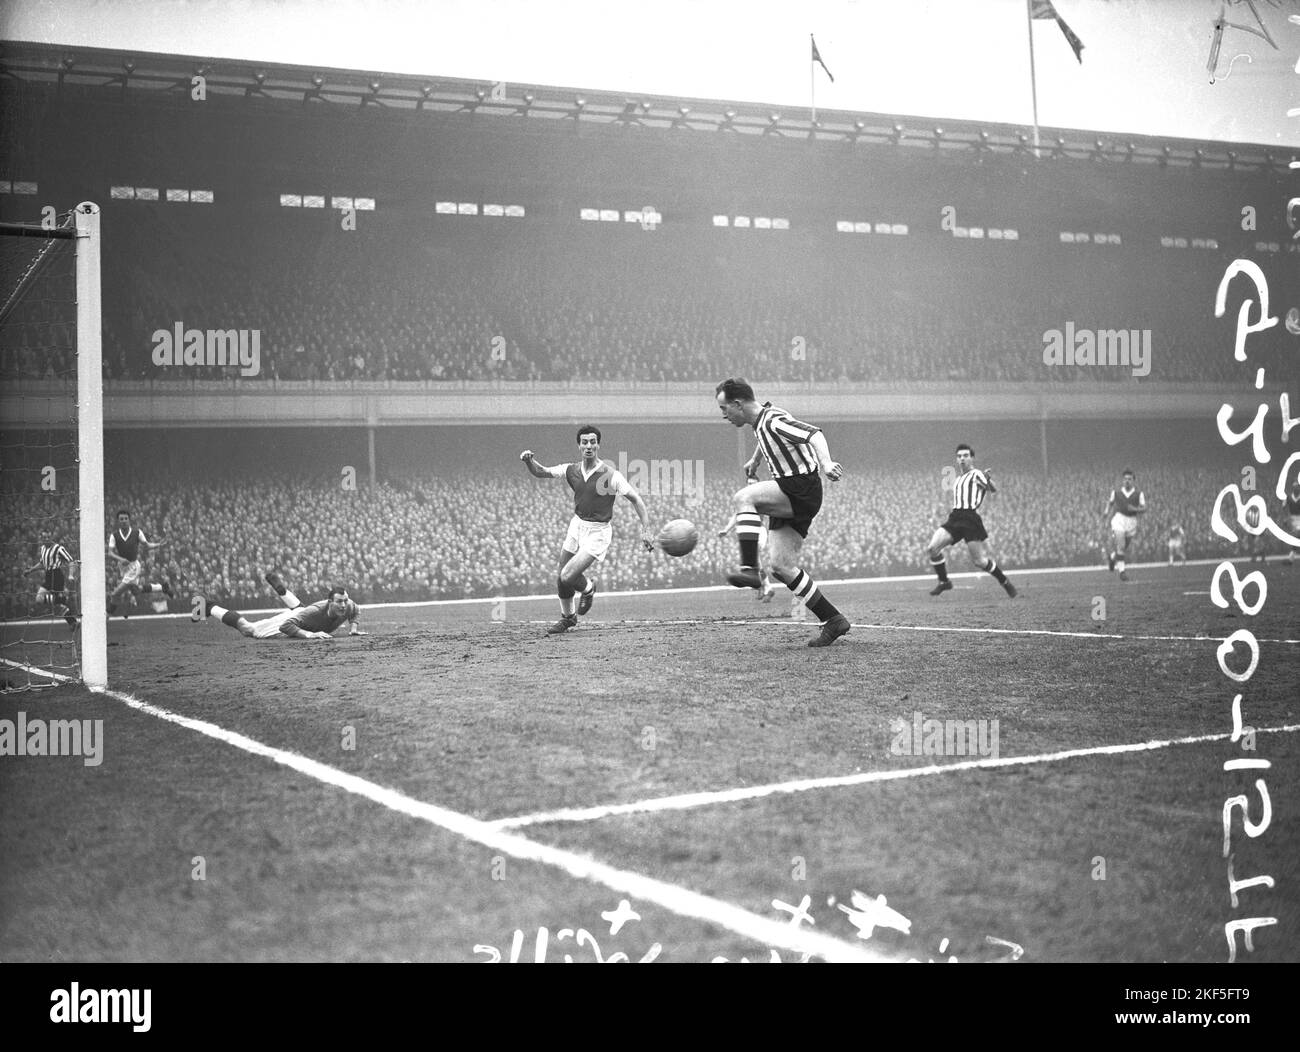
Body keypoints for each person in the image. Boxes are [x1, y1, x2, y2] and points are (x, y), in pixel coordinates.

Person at [715, 377, 851, 647]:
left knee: (743, 498)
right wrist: (755, 460)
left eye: (724, 409)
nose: (723, 416)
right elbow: (767, 440)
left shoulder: (773, 419)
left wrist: (825, 463)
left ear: (738, 404)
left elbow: (813, 433)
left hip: (800, 488)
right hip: (792, 491)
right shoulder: (761, 420)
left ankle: (750, 569)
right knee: (781, 567)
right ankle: (834, 619)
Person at [520, 424, 654, 635]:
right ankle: (568, 618)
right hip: (577, 525)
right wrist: (529, 461)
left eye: (592, 441)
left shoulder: (611, 475)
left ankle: (589, 588)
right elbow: (542, 472)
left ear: (598, 445)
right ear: (579, 446)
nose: (589, 445)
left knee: (568, 575)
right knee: (561, 577)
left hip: (598, 532)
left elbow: (636, 499)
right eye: (585, 442)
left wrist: (646, 530)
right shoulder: (571, 470)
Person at [927, 443, 1017, 598]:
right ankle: (944, 582)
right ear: (957, 459)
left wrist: (988, 479)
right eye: (959, 456)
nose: (962, 458)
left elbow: (993, 489)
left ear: (972, 458)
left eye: (966, 456)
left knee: (980, 561)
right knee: (932, 548)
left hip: (970, 519)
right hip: (955, 517)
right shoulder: (958, 479)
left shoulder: (976, 474)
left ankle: (1004, 581)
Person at [200, 572, 364, 640]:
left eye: (345, 600)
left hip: (302, 612)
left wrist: (354, 629)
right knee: (249, 629)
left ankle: (281, 589)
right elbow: (286, 626)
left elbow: (355, 610)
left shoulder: (348, 605)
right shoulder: (315, 612)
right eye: (340, 602)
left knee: (301, 609)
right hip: (291, 620)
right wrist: (309, 635)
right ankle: (208, 606)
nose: (344, 605)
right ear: (330, 602)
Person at [106, 509, 172, 616]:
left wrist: (158, 544)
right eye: (121, 519)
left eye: (126, 519)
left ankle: (107, 615)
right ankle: (162, 587)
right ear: (118, 521)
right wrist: (121, 559)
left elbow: (147, 545)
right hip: (123, 567)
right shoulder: (114, 535)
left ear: (129, 520)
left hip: (133, 567)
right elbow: (110, 553)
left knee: (115, 594)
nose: (123, 521)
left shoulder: (137, 532)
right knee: (136, 591)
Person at [717, 513, 780, 604]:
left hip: (758, 531)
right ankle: (765, 587)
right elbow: (737, 514)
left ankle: (764, 586)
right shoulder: (743, 502)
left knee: (755, 558)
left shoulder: (755, 500)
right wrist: (726, 530)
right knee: (754, 560)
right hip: (748, 534)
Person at [25, 540, 78, 628]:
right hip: (48, 576)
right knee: (39, 599)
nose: (45, 540)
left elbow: (70, 560)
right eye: (44, 537)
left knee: (57, 605)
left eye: (47, 537)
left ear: (51, 538)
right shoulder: (42, 548)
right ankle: (63, 601)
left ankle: (72, 622)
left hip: (57, 576)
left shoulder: (58, 548)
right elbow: (42, 563)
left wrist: (70, 575)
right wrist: (30, 570)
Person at [1104, 469, 1146, 582]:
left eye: (1130, 479)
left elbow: (1144, 508)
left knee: (1122, 548)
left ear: (1133, 481)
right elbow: (1110, 502)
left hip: (1131, 521)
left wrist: (1135, 509)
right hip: (1119, 519)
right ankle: (1122, 572)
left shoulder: (1139, 494)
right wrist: (1106, 511)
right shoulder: (1116, 492)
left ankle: (1112, 558)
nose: (1127, 481)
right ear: (1122, 480)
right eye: (1125, 479)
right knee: (1121, 545)